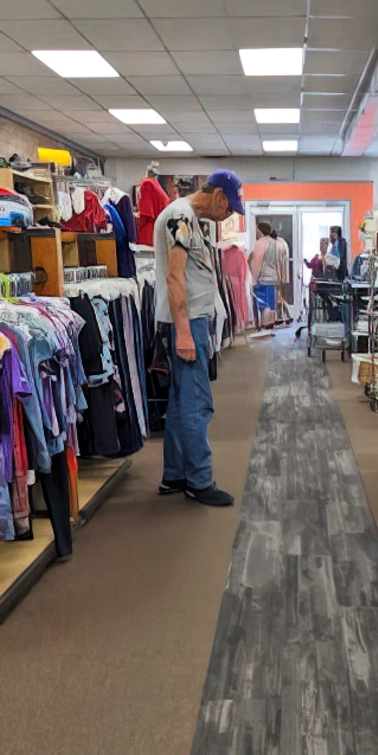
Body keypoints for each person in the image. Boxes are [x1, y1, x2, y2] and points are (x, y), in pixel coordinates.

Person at [154, 169, 244, 507]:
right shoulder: (181, 216)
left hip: (189, 320)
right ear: (218, 194)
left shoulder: (187, 217)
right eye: (230, 206)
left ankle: (175, 475)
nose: (229, 214)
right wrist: (183, 332)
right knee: (196, 404)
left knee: (180, 404)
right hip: (187, 322)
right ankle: (200, 481)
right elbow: (174, 277)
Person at [249, 221, 279, 327]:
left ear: (260, 231)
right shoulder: (275, 243)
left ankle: (264, 324)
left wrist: (253, 279)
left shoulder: (260, 243)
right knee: (271, 304)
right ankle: (271, 323)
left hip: (263, 278)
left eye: (257, 231)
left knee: (263, 303)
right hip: (273, 278)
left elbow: (257, 262)